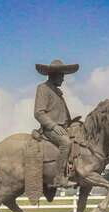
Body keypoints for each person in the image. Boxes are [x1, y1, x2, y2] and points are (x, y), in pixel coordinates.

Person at [34, 59, 79, 188]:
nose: (63, 79)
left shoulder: (58, 92)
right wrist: (53, 126)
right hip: (50, 129)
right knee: (66, 143)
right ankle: (59, 178)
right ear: (54, 74)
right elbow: (38, 113)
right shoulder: (43, 88)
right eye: (61, 76)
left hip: (63, 127)